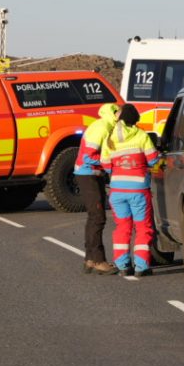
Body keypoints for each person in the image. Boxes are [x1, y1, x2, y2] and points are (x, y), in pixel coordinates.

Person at [100, 103, 159, 277]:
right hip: (139, 190)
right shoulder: (141, 136)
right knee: (142, 228)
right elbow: (153, 159)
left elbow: (105, 164)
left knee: (122, 227)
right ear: (136, 119)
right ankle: (141, 266)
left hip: (117, 191)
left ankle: (123, 265)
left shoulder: (110, 138)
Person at [75, 102, 121, 274]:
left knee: (94, 217)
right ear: (113, 113)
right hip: (88, 174)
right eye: (119, 114)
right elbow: (88, 156)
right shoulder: (101, 128)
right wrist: (111, 164)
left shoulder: (106, 126)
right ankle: (99, 261)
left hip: (92, 174)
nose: (121, 118)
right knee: (98, 217)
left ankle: (90, 259)